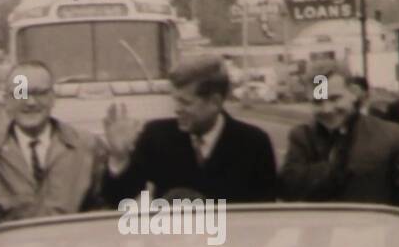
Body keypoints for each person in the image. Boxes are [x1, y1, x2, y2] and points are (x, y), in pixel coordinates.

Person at [0, 60, 107, 247]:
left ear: (54, 98)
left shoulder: (86, 147)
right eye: (21, 92)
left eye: (40, 93)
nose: (30, 102)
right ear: (7, 99)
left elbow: (103, 214)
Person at [101, 55, 277, 205]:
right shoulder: (157, 136)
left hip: (232, 243)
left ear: (214, 102)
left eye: (185, 102)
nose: (177, 109)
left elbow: (264, 214)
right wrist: (119, 157)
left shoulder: (254, 144)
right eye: (175, 100)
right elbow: (117, 200)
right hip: (170, 242)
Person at [278, 60, 399, 224]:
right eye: (318, 102)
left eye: (334, 98)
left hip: (376, 243)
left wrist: (397, 235)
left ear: (353, 93)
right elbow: (289, 191)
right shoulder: (302, 138)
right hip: (319, 244)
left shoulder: (391, 136)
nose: (327, 109)